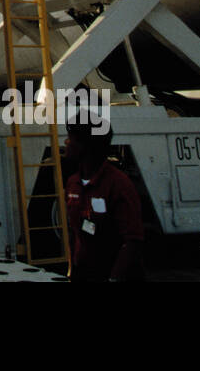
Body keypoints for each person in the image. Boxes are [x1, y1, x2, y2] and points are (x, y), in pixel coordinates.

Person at [62, 111, 144, 282]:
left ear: (85, 146)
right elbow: (75, 233)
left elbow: (132, 241)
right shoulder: (73, 183)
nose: (66, 143)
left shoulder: (118, 185)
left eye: (71, 138)